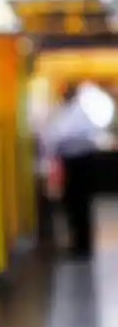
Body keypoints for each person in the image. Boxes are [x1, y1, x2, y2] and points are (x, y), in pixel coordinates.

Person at [43, 83, 105, 258]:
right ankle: (78, 242)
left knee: (79, 204)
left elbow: (63, 134)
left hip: (80, 162)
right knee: (73, 204)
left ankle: (82, 245)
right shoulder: (66, 112)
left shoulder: (78, 113)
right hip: (73, 162)